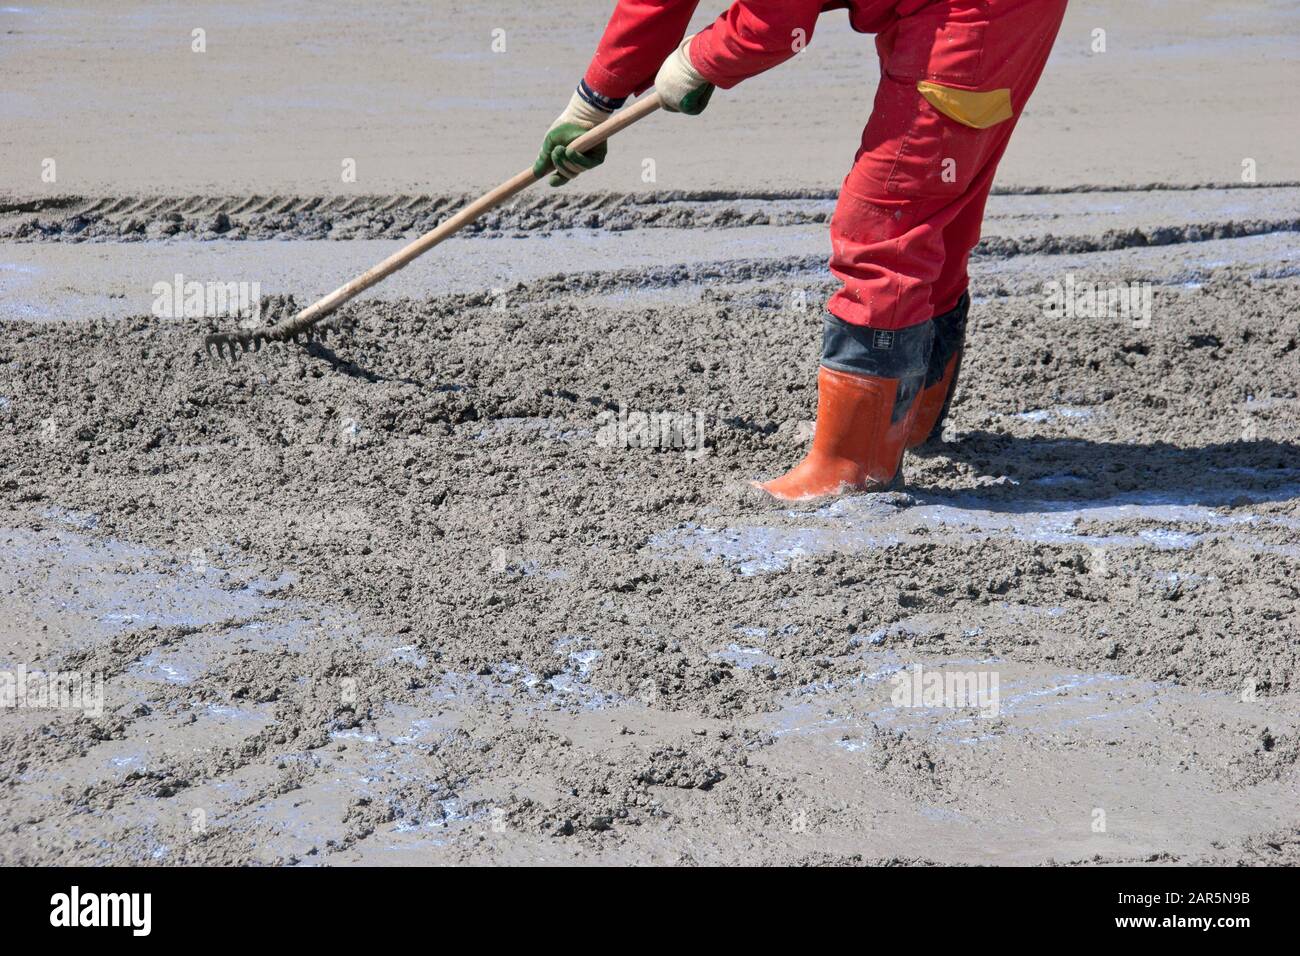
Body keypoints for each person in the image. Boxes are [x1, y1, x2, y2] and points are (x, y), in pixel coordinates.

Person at [535, 0, 1068, 500]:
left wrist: (698, 62)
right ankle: (906, 428)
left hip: (974, 17)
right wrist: (593, 101)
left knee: (887, 223)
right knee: (939, 214)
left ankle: (849, 466)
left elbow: (773, 26)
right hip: (973, 14)